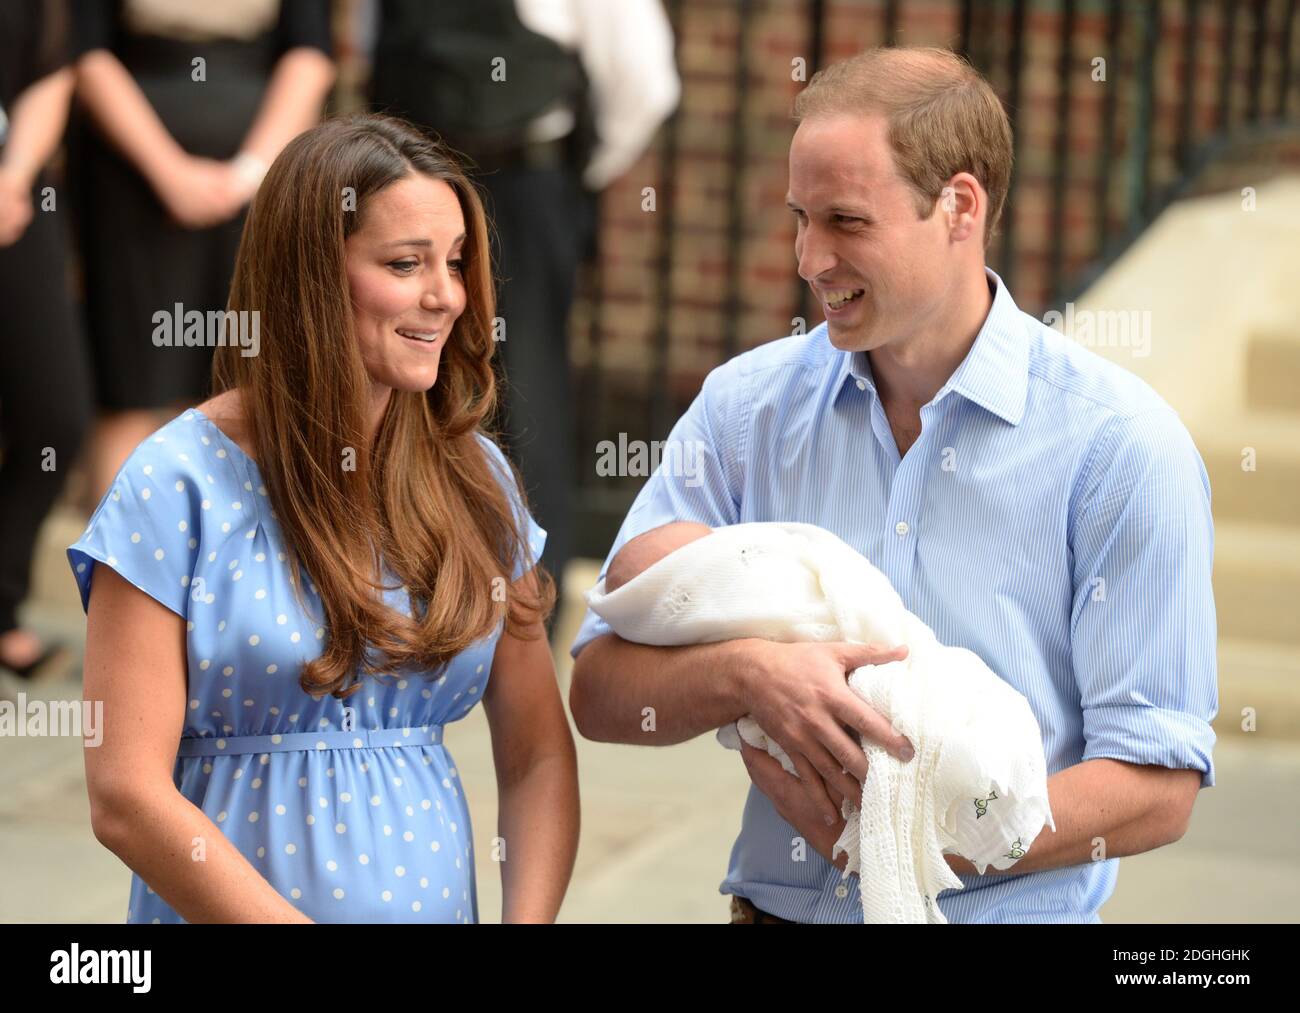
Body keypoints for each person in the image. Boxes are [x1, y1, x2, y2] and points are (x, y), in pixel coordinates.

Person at [568, 46, 1216, 924]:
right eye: (799, 216)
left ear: (959, 206)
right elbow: (602, 690)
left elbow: (1158, 782)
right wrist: (749, 675)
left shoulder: (1123, 447)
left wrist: (910, 840)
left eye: (845, 221)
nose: (808, 257)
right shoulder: (744, 408)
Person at [68, 113, 580, 924]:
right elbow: (125, 795)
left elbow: (538, 755)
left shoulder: (476, 476)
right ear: (311, 276)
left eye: (454, 262)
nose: (446, 295)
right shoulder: (176, 484)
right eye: (406, 263)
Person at [369, 0, 681, 617]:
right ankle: (413, 595)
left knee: (523, 395)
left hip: (520, 187)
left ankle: (526, 609)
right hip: (436, 184)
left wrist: (574, 175)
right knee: (408, 387)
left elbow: (644, 81)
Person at [68, 0, 336, 503]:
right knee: (130, 391)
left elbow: (310, 53)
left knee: (246, 386)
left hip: (261, 195)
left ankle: (232, 574)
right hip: (131, 193)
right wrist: (168, 172)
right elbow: (87, 53)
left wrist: (251, 173)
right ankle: (120, 577)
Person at [0, 0, 93, 681]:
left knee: (55, 414)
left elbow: (47, 67)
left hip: (13, 193)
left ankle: (1, 602)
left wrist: (14, 175)